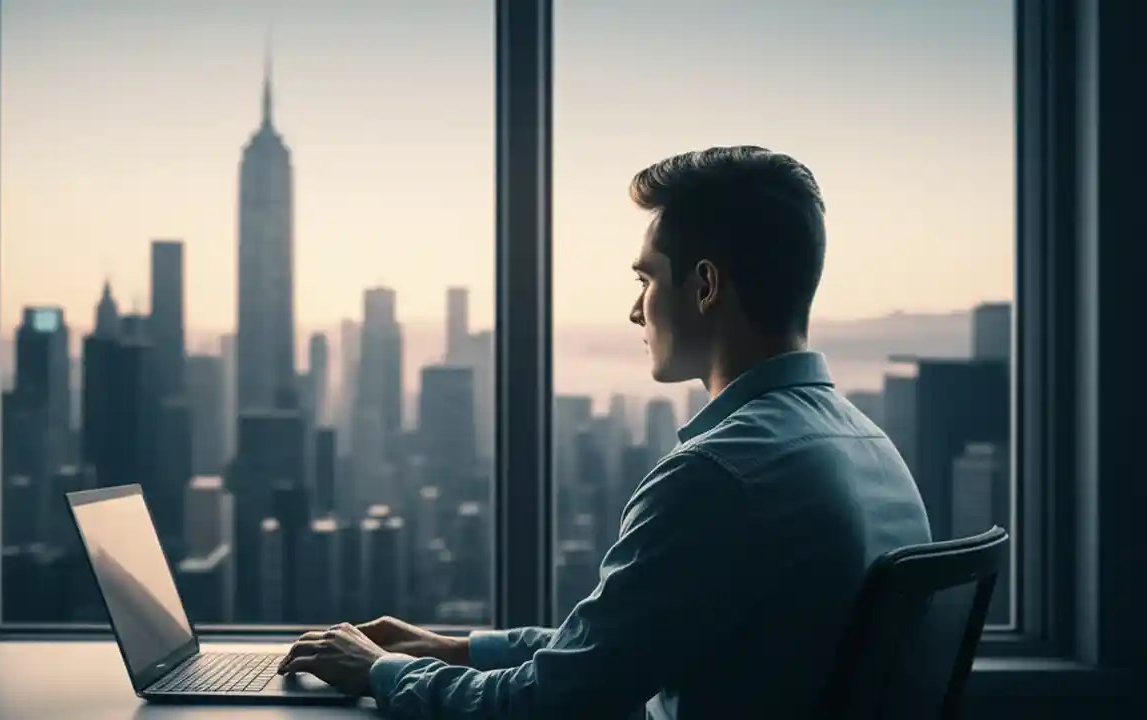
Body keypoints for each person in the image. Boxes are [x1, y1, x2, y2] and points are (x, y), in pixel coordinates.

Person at [277, 146, 932, 718]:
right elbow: (624, 644)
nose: (633, 309)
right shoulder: (872, 451)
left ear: (705, 285)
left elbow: (549, 707)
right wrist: (457, 648)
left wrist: (378, 670)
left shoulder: (718, 476)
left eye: (646, 279)